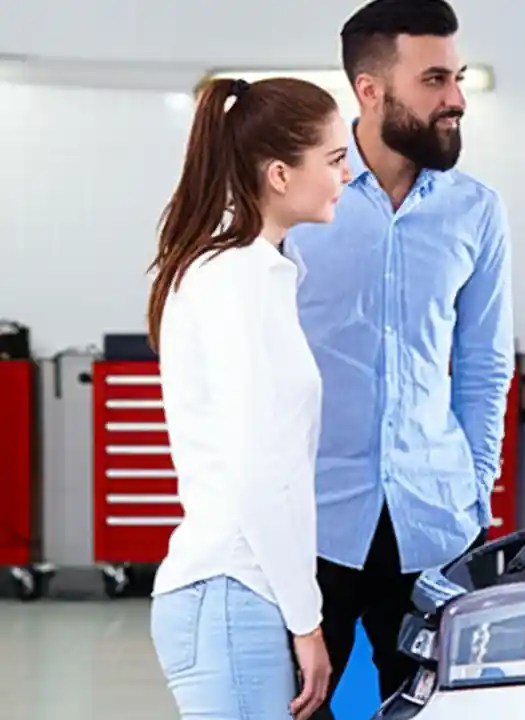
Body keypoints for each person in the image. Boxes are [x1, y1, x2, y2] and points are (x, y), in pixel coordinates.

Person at [280, 0, 514, 711]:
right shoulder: (296, 200)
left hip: (435, 523)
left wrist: (474, 488)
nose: (456, 100)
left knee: (434, 707)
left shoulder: (476, 209)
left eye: (458, 78)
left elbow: (484, 362)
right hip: (312, 523)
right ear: (372, 91)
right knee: (302, 705)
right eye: (436, 80)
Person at [146, 76, 351, 720]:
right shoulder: (239, 280)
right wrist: (307, 620)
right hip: (233, 592)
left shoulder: (244, 271)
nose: (347, 176)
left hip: (230, 592)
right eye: (336, 159)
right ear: (281, 174)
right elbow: (259, 475)